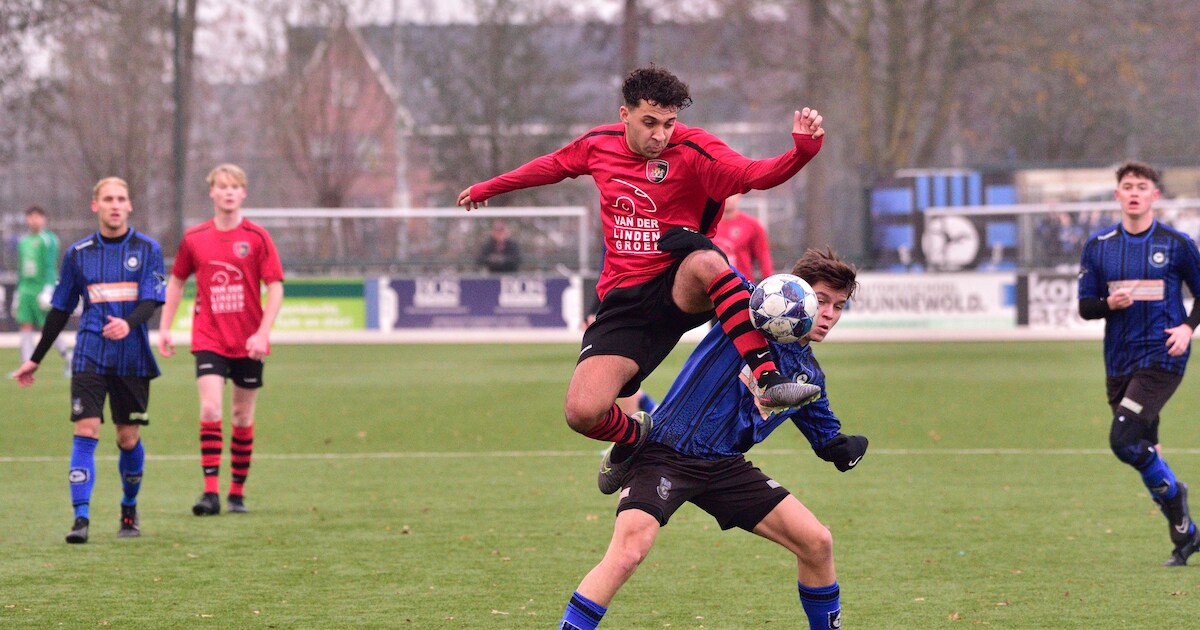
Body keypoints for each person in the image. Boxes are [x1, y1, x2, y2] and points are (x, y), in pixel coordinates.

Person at [458, 65, 824, 474]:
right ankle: (640, 439)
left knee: (706, 259)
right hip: (624, 301)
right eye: (649, 122)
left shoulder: (695, 149)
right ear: (624, 114)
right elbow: (551, 165)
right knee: (583, 412)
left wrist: (801, 153)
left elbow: (753, 174)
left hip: (676, 285)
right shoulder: (599, 144)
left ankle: (768, 378)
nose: (660, 135)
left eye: (668, 124)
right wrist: (485, 188)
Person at [558, 248, 866, 630]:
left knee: (817, 543)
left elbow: (826, 436)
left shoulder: (808, 375)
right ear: (795, 292)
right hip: (667, 452)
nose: (829, 315)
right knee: (627, 554)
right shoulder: (747, 311)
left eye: (838, 307)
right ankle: (630, 444)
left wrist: (842, 447)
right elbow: (710, 272)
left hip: (725, 468)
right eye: (820, 301)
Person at [11, 177, 165, 544]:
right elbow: (61, 311)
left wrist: (127, 324)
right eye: (108, 199)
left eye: (121, 199)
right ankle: (80, 518)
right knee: (86, 430)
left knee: (128, 439)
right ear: (95, 205)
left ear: (130, 206)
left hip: (131, 358)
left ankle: (129, 507)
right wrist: (35, 359)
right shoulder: (78, 254)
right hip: (90, 354)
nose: (115, 204)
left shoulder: (148, 249)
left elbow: (151, 301)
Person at [1077, 160, 1200, 566]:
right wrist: (1108, 303)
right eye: (1127, 185)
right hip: (1120, 362)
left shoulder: (1177, 244)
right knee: (1147, 448)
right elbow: (1085, 307)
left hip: (1163, 357)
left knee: (1123, 441)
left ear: (1154, 195)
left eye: (1142, 186)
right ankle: (1185, 533)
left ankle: (1178, 501)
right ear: (1117, 195)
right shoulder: (1099, 247)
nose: (1134, 192)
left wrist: (1186, 329)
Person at [158, 163, 285, 516]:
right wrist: (165, 327)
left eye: (235, 187)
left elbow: (275, 287)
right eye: (222, 186)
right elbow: (177, 282)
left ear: (243, 193)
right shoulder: (194, 238)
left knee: (241, 416)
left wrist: (263, 332)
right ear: (211, 192)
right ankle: (210, 492)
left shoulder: (257, 238)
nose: (228, 192)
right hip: (209, 336)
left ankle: (236, 493)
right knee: (211, 408)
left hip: (249, 341)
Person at [14, 205, 72, 371]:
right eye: (30, 216)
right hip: (26, 289)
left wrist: (48, 288)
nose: (34, 220)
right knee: (25, 324)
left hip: (41, 289)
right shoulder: (23, 241)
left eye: (37, 216)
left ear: (44, 219)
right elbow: (21, 267)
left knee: (48, 326)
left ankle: (67, 357)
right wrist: (18, 292)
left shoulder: (49, 240)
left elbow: (50, 266)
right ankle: (25, 363)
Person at [712, 194, 774, 280]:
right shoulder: (706, 227)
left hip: (742, 287)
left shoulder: (753, 225)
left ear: (739, 195)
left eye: (731, 193)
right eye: (724, 192)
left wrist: (769, 286)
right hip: (713, 288)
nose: (727, 198)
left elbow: (764, 259)